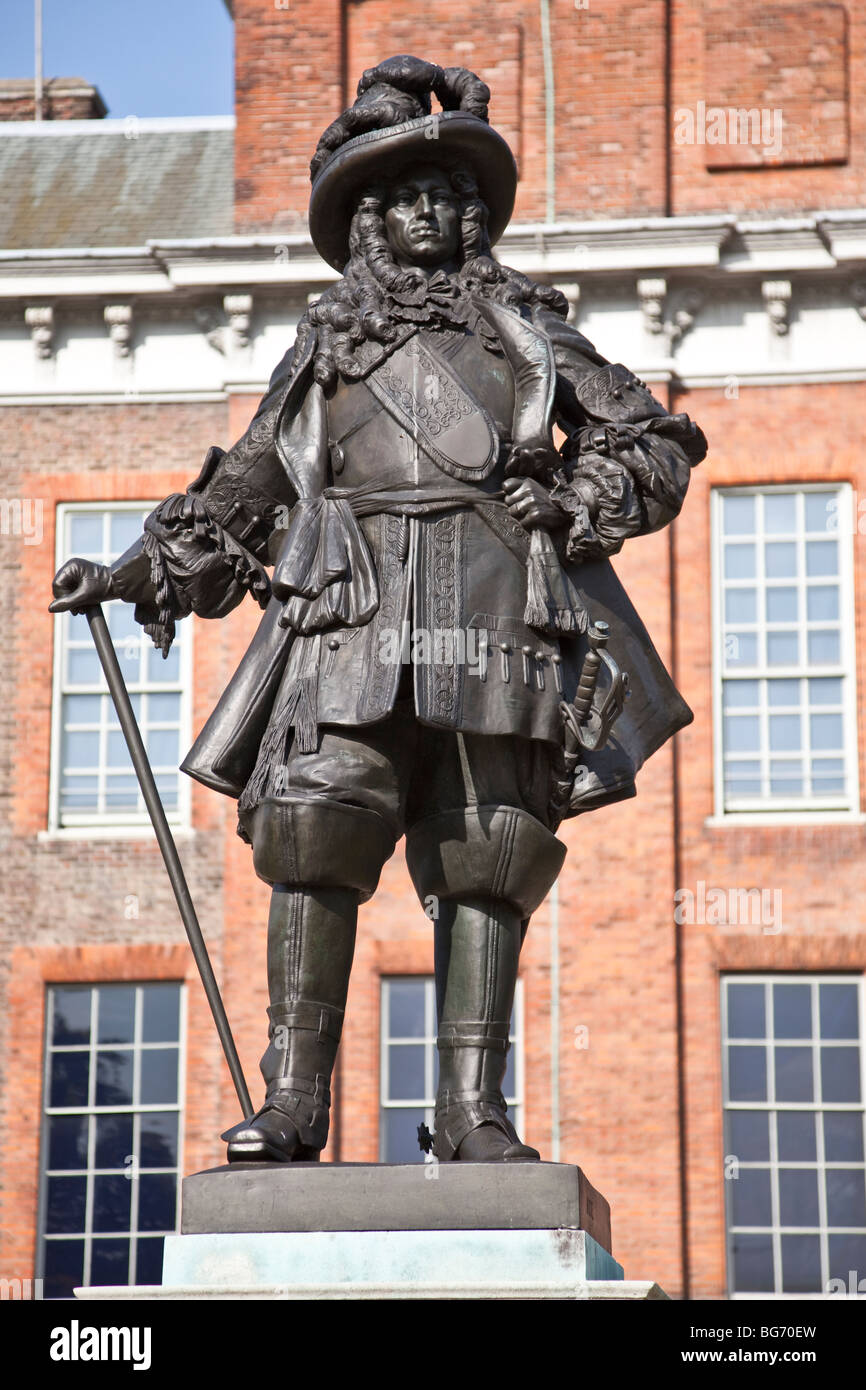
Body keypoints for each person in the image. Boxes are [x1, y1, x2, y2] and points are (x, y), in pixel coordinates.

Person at [51, 55, 706, 1165]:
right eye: (402, 195)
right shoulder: (323, 349)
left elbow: (650, 443)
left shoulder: (528, 332)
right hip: (348, 614)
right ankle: (295, 1099)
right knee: (314, 830)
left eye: (447, 195)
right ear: (365, 219)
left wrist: (567, 494)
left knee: (489, 849)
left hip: (493, 604)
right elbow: (244, 490)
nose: (427, 212)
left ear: (470, 218)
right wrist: (133, 571)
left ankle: (470, 1109)